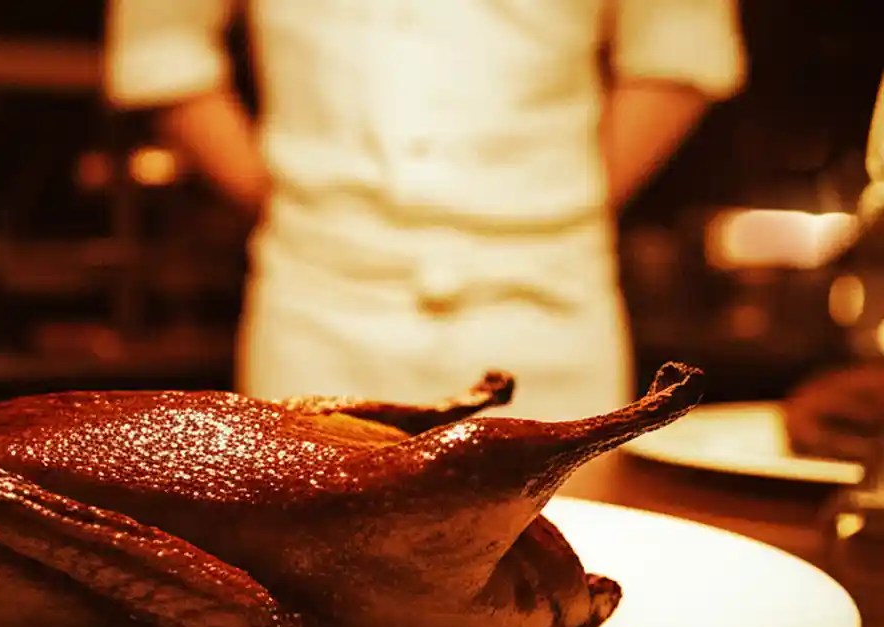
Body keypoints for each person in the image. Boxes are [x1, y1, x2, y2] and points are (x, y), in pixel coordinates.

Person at [104, 1, 747, 422]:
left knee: (572, 562)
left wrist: (553, 210)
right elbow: (163, 49)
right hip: (320, 301)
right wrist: (297, 208)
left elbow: (678, 50)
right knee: (307, 582)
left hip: (549, 302)